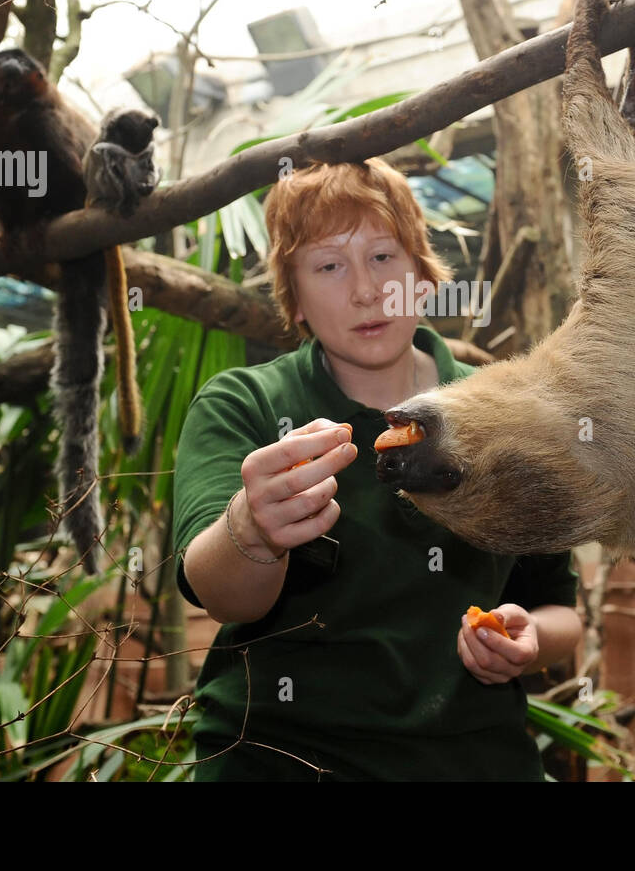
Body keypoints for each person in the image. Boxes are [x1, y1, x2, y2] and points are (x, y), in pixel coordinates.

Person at [173, 157, 583, 781]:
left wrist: (526, 641)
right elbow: (222, 596)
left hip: (472, 760)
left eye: (384, 257)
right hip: (278, 760)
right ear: (296, 297)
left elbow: (558, 609)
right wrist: (250, 530)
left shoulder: (506, 410)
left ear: (421, 272)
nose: (366, 290)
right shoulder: (247, 406)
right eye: (329, 266)